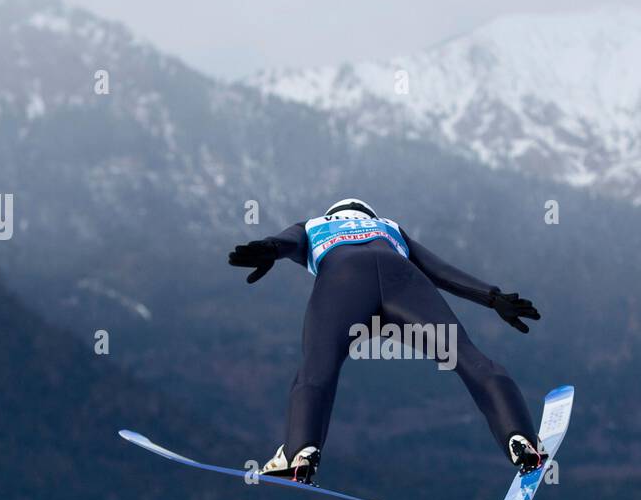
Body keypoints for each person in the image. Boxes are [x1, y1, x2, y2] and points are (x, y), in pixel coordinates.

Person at [228, 198, 543, 484]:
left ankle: (301, 451)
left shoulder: (313, 226)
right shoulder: (389, 228)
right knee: (469, 358)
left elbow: (286, 243)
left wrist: (269, 248)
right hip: (403, 282)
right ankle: (520, 437)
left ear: (332, 214)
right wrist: (493, 297)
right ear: (369, 215)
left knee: (318, 367)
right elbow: (441, 271)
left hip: (344, 283)